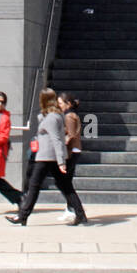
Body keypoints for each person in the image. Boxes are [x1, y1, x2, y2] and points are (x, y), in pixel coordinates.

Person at [6, 88, 89, 227]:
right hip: (49, 156)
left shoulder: (52, 117)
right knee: (64, 186)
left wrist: (61, 160)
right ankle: (80, 214)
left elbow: (57, 139)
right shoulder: (53, 116)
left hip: (46, 157)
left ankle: (23, 215)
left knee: (34, 185)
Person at [57, 92, 83, 223]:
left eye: (60, 103)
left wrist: (60, 142)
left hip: (71, 153)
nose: (58, 106)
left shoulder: (69, 116)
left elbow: (71, 135)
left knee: (65, 184)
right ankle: (71, 210)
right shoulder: (70, 115)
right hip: (73, 151)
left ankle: (78, 211)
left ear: (68, 104)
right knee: (66, 183)